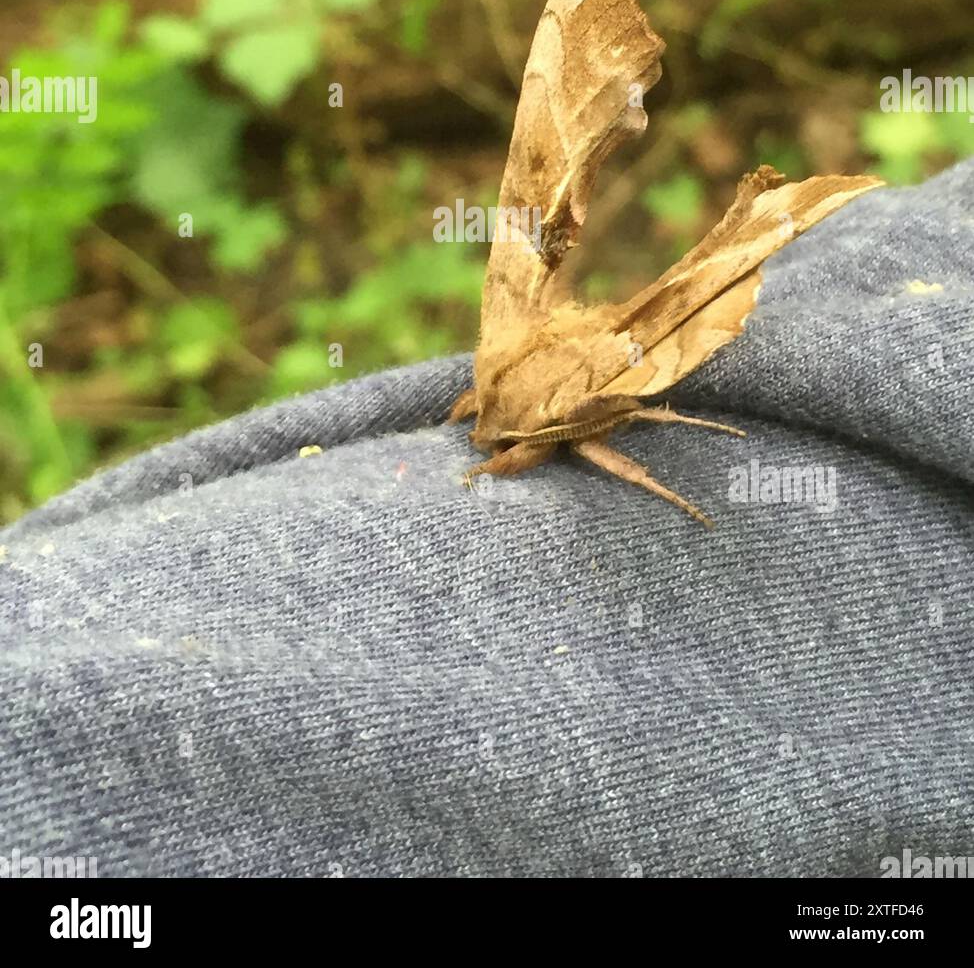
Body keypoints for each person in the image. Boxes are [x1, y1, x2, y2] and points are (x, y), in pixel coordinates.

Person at [1, 159, 972, 878]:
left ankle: (776, 221)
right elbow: (493, 425)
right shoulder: (495, 400)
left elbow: (613, 431)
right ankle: (783, 226)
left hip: (619, 374)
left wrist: (667, 483)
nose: (490, 457)